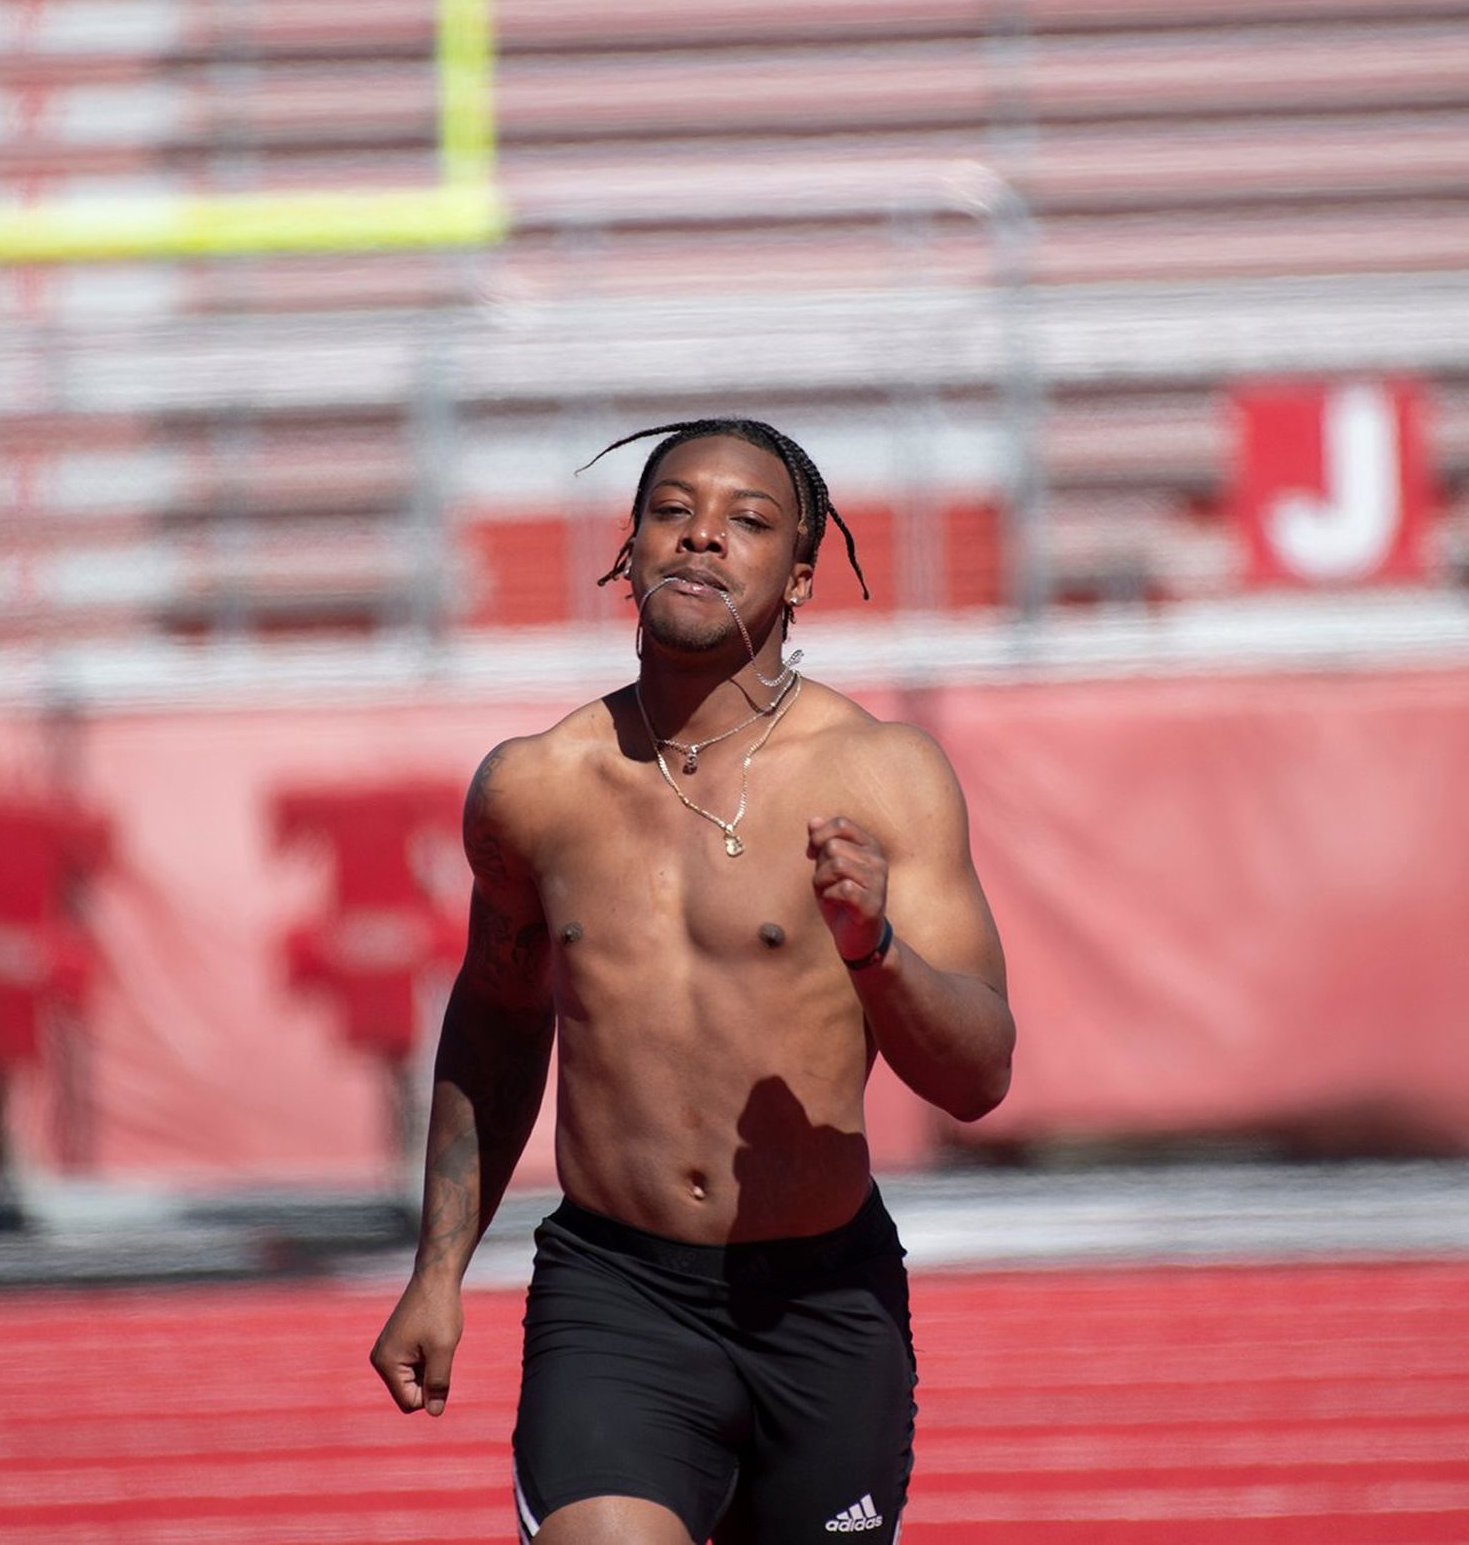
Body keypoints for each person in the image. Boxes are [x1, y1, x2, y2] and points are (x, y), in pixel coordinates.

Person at [370, 417, 1013, 1544]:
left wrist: (875, 948)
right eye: (672, 510)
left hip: (823, 1305)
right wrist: (438, 1268)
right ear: (627, 550)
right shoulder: (537, 787)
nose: (702, 536)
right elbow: (495, 1020)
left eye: (748, 521)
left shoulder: (886, 776)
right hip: (617, 1296)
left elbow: (979, 1074)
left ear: (802, 575)